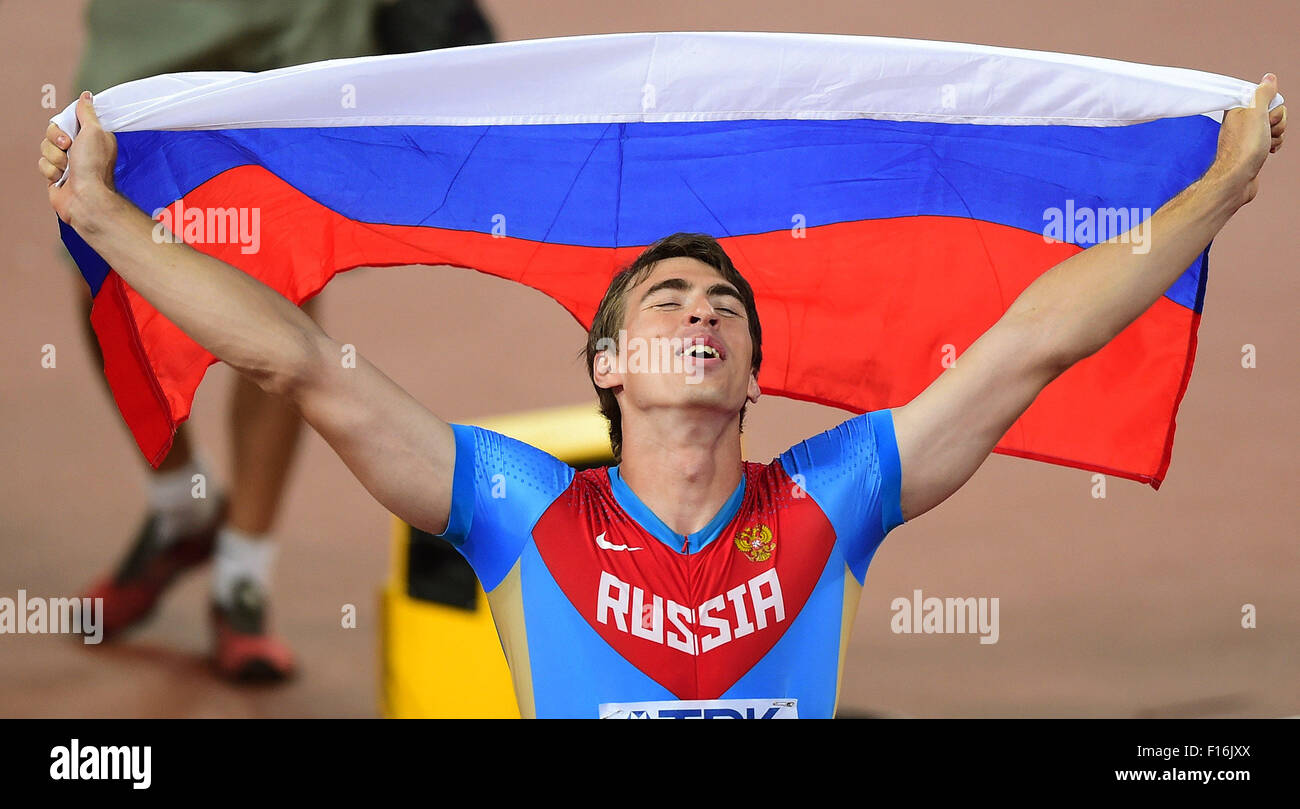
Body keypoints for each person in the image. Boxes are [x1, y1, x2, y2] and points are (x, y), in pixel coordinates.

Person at [39, 75, 1286, 716]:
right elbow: (296, 362)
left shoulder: (829, 495)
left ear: (750, 376)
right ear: (606, 366)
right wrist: (102, 215)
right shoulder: (519, 507)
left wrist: (1219, 190)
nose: (702, 312)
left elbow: (1025, 344)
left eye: (725, 308)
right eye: (668, 303)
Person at [66, 0, 495, 682]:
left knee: (279, 264)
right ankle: (183, 507)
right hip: (151, 19)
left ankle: (243, 576)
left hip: (302, 16)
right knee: (98, 243)